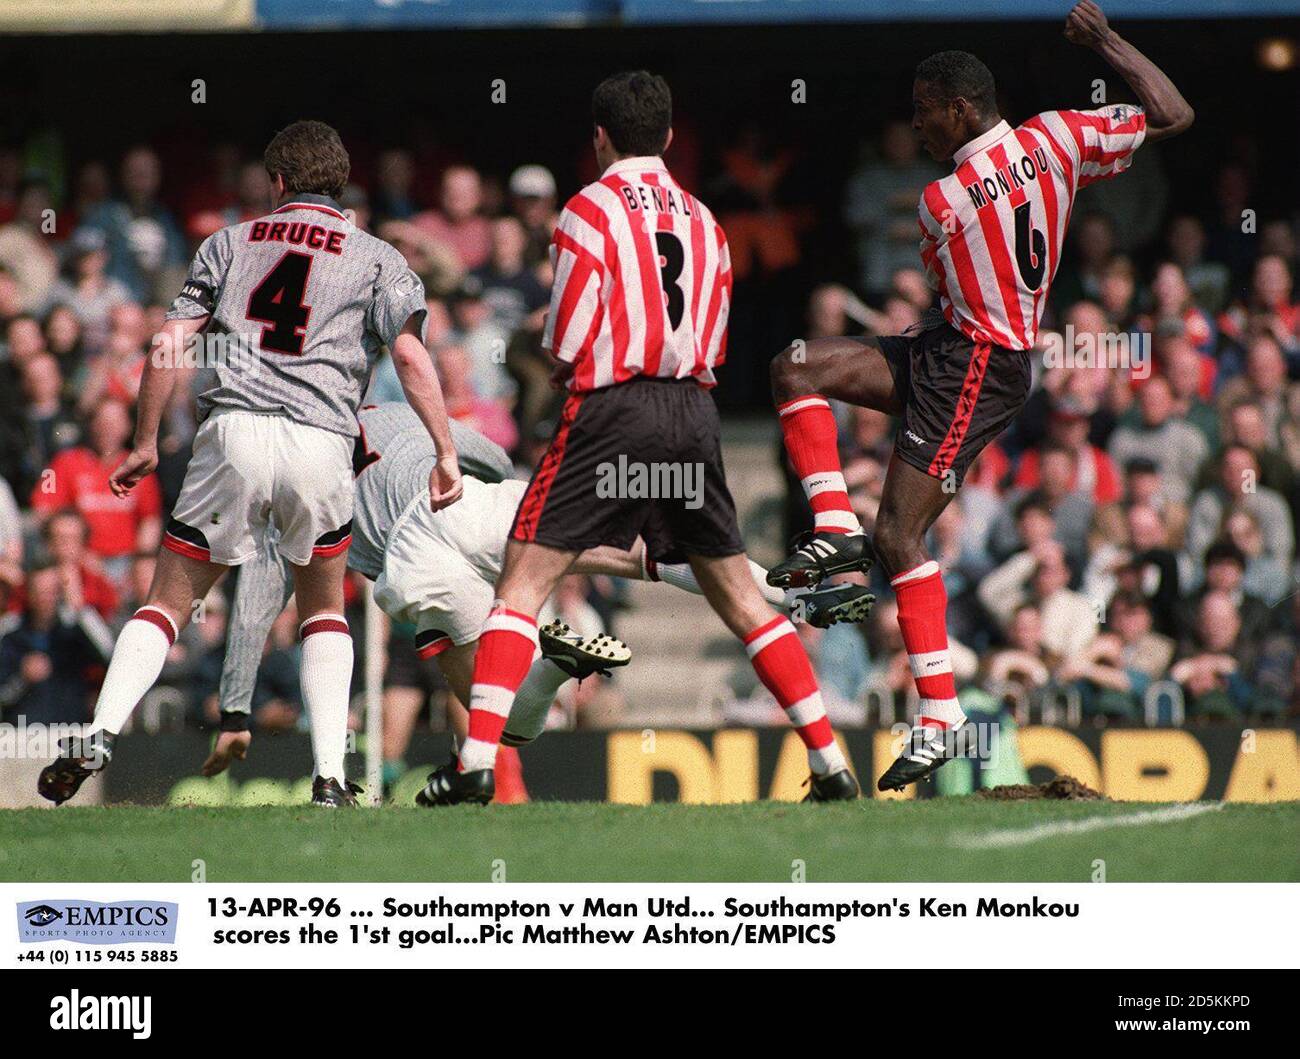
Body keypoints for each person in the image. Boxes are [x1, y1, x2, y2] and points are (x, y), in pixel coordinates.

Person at [766, 0, 1192, 790]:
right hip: (953, 347)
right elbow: (1173, 111)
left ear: (960, 108)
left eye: (926, 114)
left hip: (979, 363)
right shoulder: (1060, 135)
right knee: (795, 366)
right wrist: (1104, 41)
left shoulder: (942, 205)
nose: (919, 128)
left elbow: (947, 280)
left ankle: (941, 715)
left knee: (898, 537)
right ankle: (831, 526)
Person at [420, 70, 870, 807]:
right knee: (738, 597)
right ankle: (830, 763)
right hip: (692, 408)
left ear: (598, 139)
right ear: (666, 138)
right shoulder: (703, 218)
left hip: (610, 406)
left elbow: (564, 341)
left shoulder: (586, 211)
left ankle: (475, 760)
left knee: (524, 580)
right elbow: (715, 340)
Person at [37, 121, 463, 808]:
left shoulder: (228, 242)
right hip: (322, 439)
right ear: (340, 183)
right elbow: (412, 357)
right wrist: (444, 450)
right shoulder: (379, 256)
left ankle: (101, 728)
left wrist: (145, 441)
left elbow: (169, 345)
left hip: (232, 431)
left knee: (168, 602)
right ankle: (329, 777)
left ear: (279, 183)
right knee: (324, 609)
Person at [201, 404, 819, 788]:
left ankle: (550, 670)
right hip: (478, 502)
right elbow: (483, 452)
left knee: (495, 719)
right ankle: (790, 589)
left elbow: (258, 604)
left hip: (418, 556)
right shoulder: (392, 410)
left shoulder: (290, 478)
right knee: (647, 557)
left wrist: (234, 707)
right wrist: (503, 500)